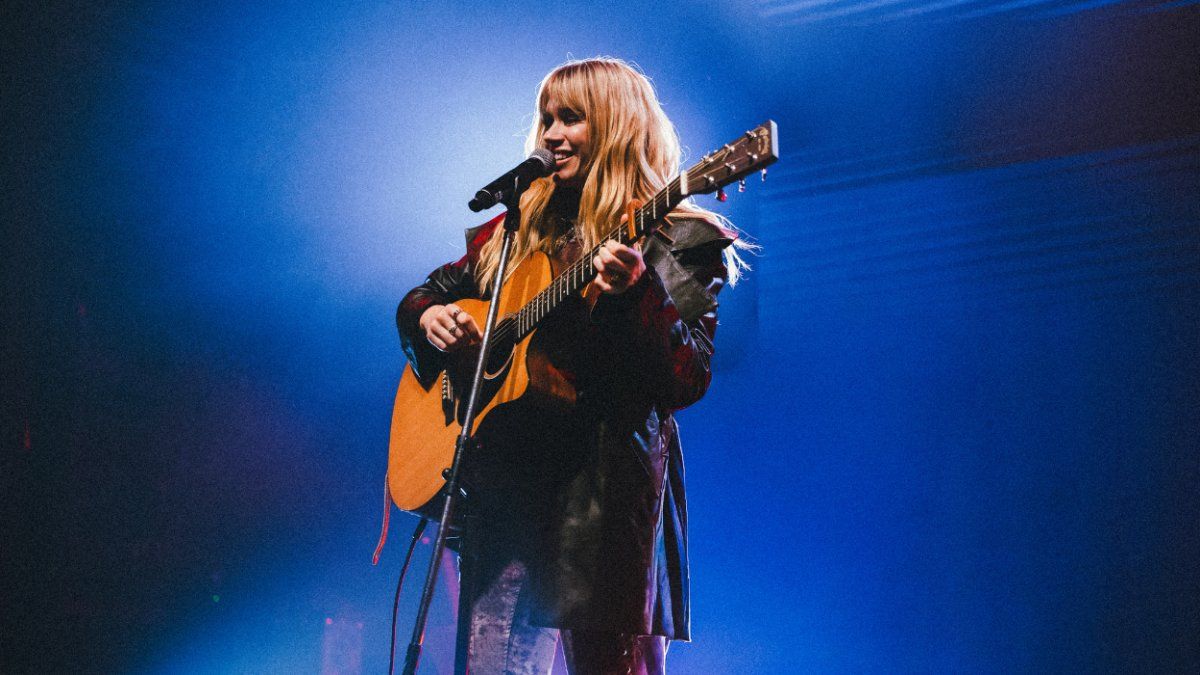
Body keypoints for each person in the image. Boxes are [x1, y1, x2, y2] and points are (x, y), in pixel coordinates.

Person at [396, 57, 747, 675]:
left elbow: (688, 376)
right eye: (547, 119)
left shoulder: (675, 234)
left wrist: (640, 293)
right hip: (505, 498)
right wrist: (428, 317)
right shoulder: (511, 233)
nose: (552, 134)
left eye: (572, 118)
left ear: (614, 126)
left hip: (600, 502)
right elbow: (427, 292)